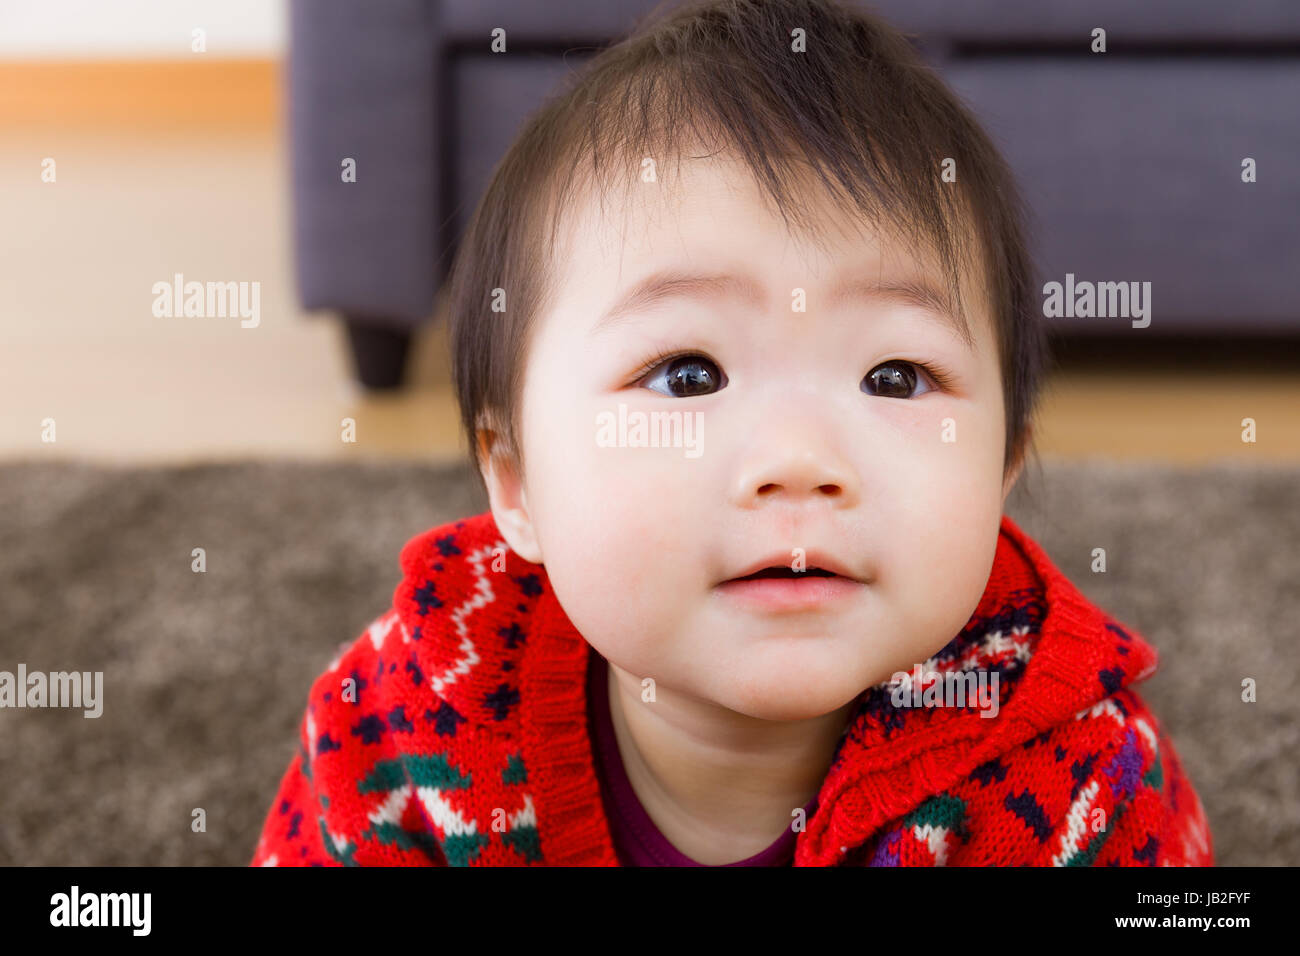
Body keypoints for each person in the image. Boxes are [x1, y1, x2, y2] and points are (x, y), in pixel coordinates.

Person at [251, 0, 1213, 867]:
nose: (800, 461)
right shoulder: (405, 725)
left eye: (896, 377)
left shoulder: (1076, 775)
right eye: (687, 376)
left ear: (1004, 466)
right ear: (516, 482)